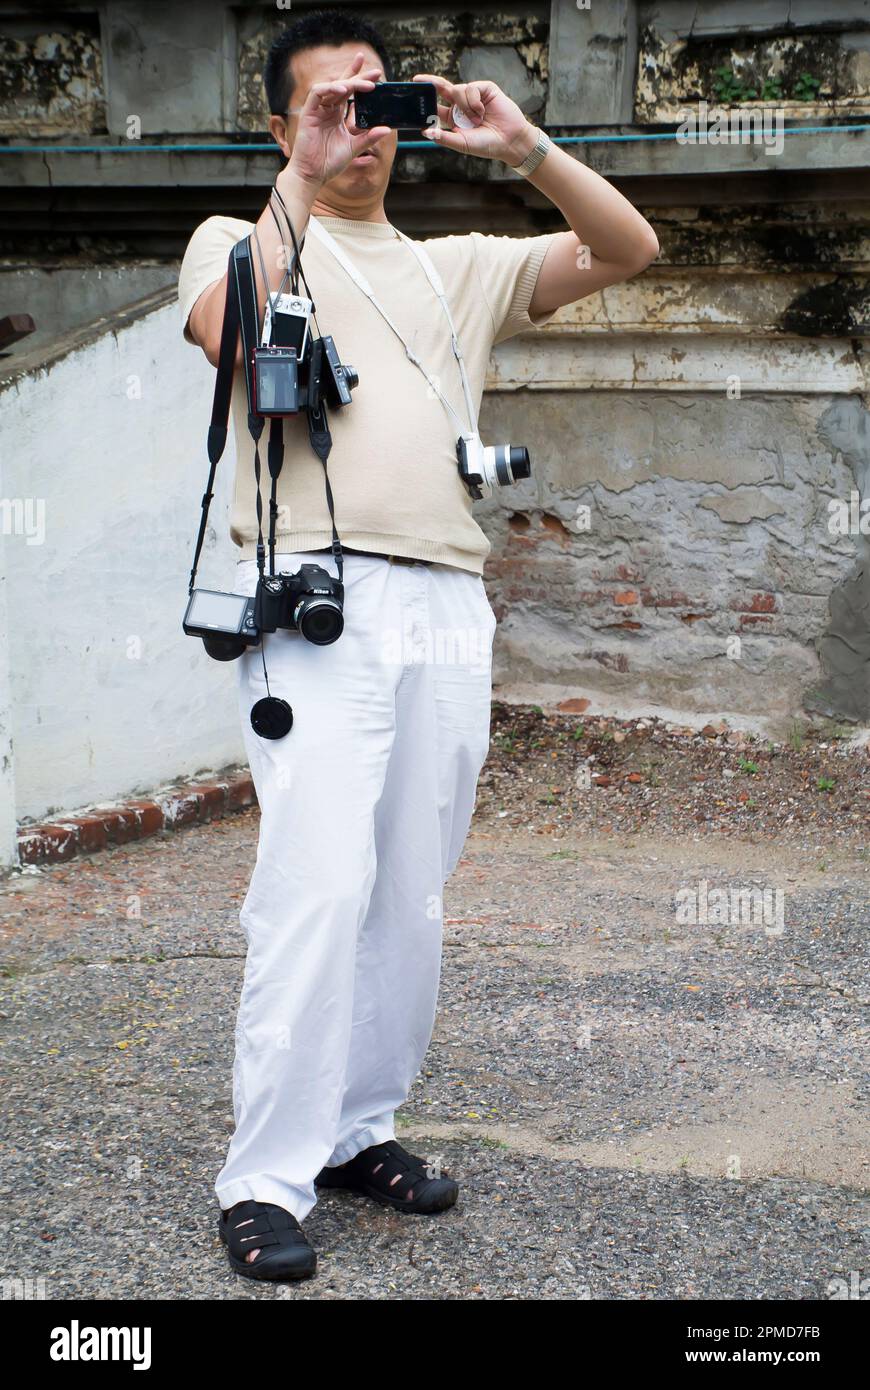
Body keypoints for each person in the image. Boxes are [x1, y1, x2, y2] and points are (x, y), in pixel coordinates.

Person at [178, 7, 658, 1282]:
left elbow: (630, 245)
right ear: (280, 126)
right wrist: (303, 177)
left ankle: (355, 1129)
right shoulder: (238, 237)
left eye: (375, 101)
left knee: (409, 895)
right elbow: (232, 331)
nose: (358, 127)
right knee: (317, 886)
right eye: (327, 105)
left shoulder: (459, 268)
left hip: (447, 601)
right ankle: (263, 1179)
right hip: (312, 600)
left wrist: (525, 147)